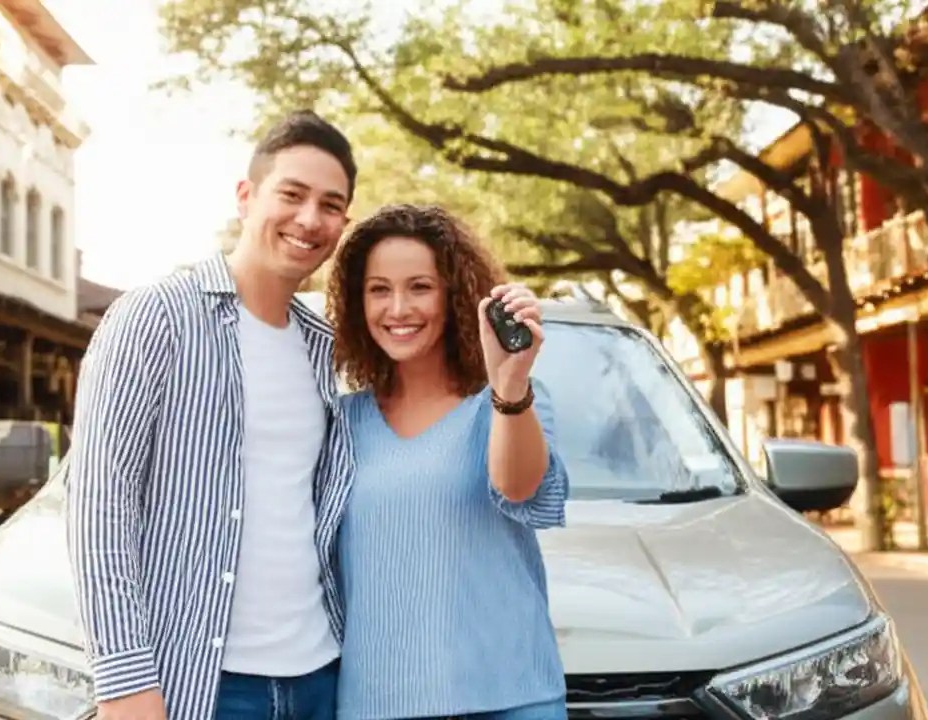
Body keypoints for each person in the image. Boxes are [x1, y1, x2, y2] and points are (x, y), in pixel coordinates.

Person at [66, 110, 357, 720]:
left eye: (330, 205)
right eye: (292, 195)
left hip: (320, 678)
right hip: (201, 684)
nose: (310, 219)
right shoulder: (154, 318)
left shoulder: (324, 347)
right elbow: (101, 503)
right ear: (247, 197)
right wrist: (122, 679)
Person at [326, 204, 570, 720]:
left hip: (510, 699)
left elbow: (521, 487)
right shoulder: (341, 423)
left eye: (420, 286)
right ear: (356, 302)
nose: (398, 308)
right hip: (377, 706)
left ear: (454, 294)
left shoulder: (506, 403)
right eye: (378, 289)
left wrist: (509, 383)